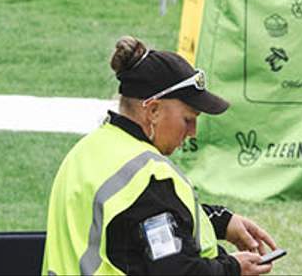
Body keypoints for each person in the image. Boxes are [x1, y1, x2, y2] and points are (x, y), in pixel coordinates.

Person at [43, 36, 280, 276]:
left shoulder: (87, 151)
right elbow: (176, 269)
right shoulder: (148, 176)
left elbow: (132, 223)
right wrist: (234, 268)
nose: (192, 132)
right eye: (188, 119)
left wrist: (220, 221)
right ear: (154, 110)